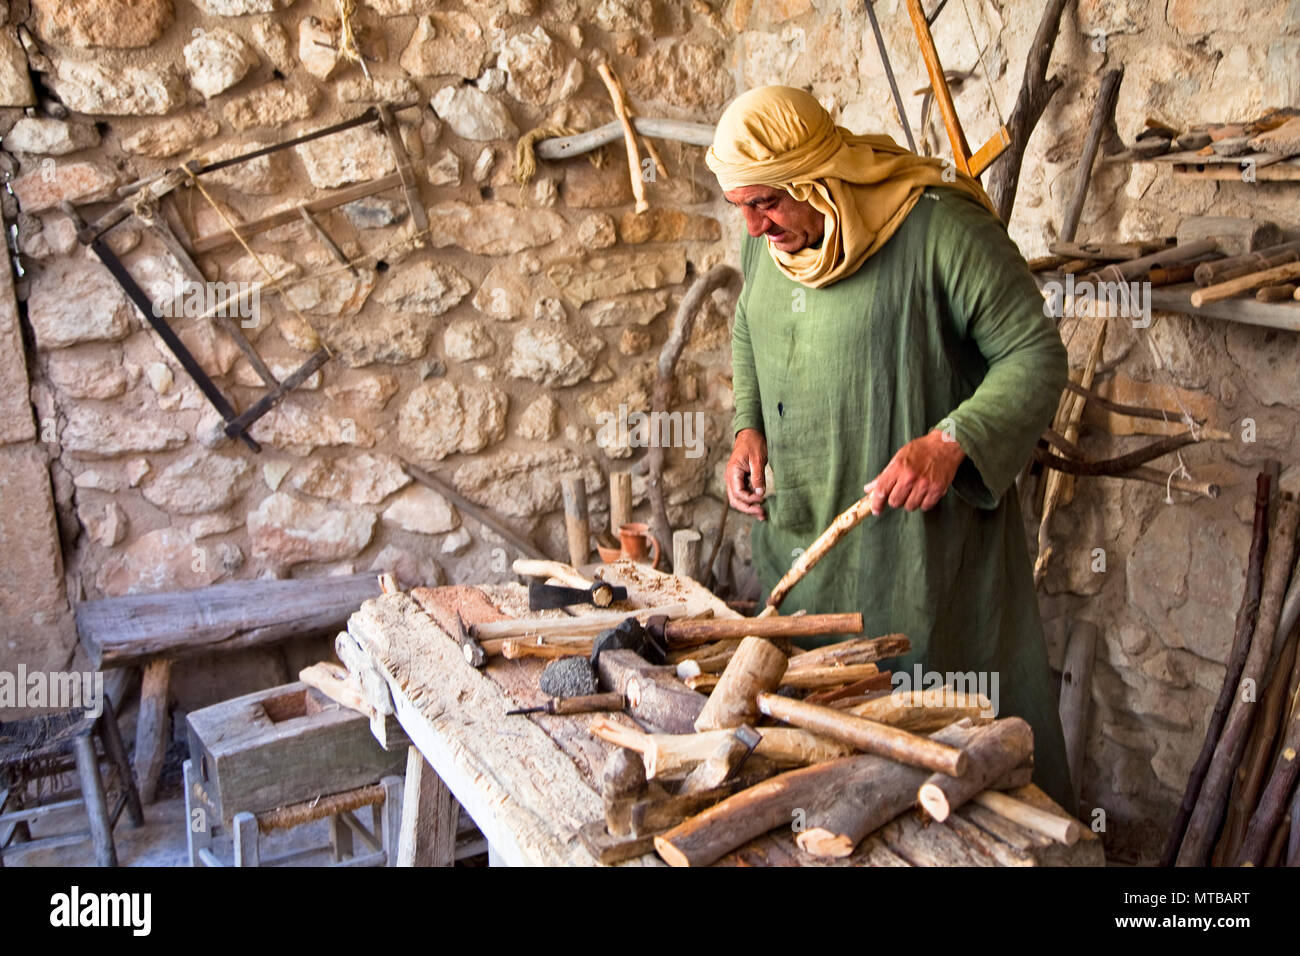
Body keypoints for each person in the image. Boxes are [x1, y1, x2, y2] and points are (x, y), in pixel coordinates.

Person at [711, 86, 1074, 810]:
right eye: (739, 206)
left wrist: (951, 441)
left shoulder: (939, 229)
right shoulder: (770, 247)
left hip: (918, 562)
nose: (752, 227)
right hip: (803, 549)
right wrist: (747, 424)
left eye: (767, 203)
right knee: (810, 757)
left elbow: (1035, 355)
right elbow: (749, 327)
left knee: (944, 768)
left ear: (816, 179)